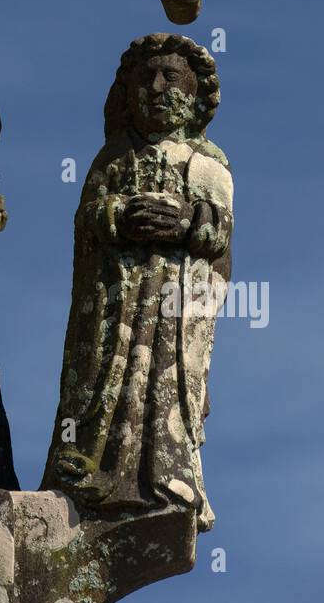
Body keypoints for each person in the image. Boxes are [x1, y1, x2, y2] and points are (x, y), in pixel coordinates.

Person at [43, 34, 232, 531]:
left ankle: (169, 476)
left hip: (174, 306)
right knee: (102, 381)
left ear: (194, 95)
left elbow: (220, 238)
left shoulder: (208, 164)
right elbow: (86, 223)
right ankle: (96, 469)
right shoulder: (110, 162)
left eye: (170, 76)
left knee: (166, 387)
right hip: (115, 301)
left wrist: (186, 222)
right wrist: (117, 216)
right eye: (145, 78)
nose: (155, 87)